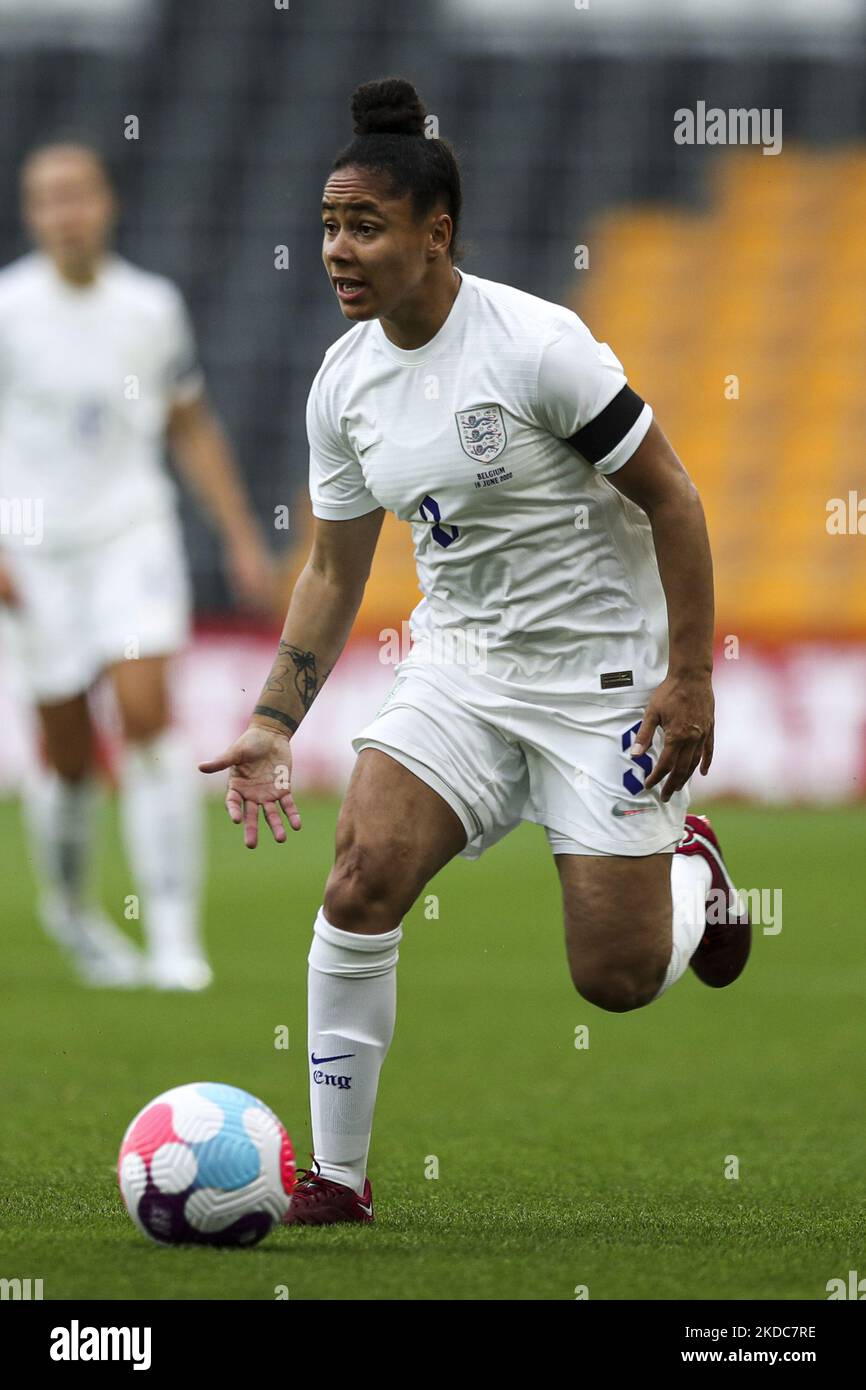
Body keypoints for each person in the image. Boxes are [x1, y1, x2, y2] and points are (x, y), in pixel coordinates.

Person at [200, 78, 751, 1222]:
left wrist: (688, 676)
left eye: (363, 226)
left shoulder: (539, 346)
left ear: (433, 233)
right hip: (458, 666)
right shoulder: (343, 384)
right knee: (357, 882)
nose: (336, 251)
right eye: (325, 226)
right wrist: (269, 720)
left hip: (601, 680)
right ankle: (337, 1179)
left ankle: (691, 874)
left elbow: (674, 498)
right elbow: (334, 570)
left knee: (612, 979)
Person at [0, 138, 274, 989]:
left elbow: (188, 422)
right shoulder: (7, 307)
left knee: (146, 709)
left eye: (79, 194)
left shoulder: (150, 307)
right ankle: (77, 913)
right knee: (69, 753)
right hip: (36, 546)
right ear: (31, 213)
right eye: (48, 198)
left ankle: (171, 935)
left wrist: (236, 531)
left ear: (106, 203)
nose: (66, 212)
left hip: (131, 533)